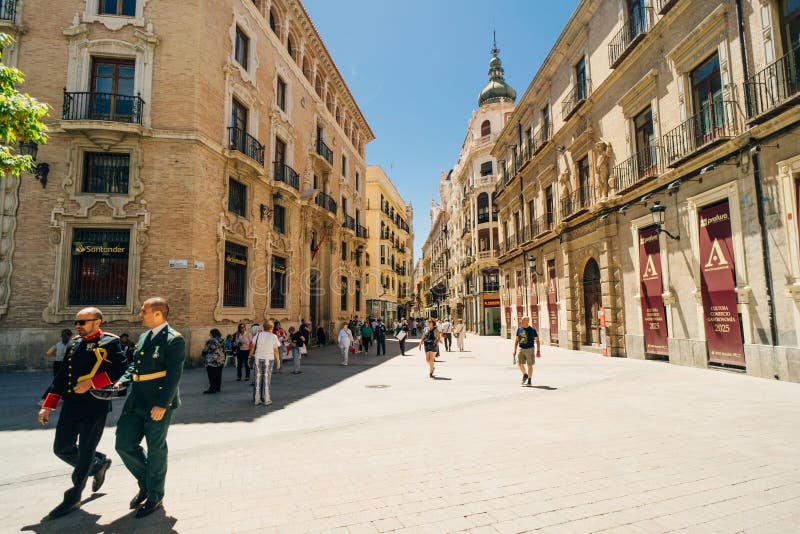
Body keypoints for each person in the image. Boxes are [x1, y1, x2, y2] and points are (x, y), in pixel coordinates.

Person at [38, 308, 127, 519]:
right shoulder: (75, 343)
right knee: (61, 447)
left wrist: (91, 383)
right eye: (76, 322)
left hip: (94, 405)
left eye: (82, 322)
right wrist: (48, 405)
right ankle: (98, 465)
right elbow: (62, 377)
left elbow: (121, 368)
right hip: (71, 405)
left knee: (86, 450)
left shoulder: (110, 342)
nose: (77, 326)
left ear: (97, 322)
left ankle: (73, 496)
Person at [115, 297, 186, 518]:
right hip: (136, 400)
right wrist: (123, 380)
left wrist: (162, 404)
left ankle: (155, 494)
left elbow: (174, 375)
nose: (140, 315)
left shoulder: (174, 340)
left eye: (143, 311)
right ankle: (146, 481)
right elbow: (135, 365)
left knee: (156, 449)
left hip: (158, 403)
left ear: (157, 314)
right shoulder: (145, 336)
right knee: (124, 444)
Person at [250, 321, 281, 405]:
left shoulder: (258, 335)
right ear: (272, 328)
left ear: (264, 327)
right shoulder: (273, 336)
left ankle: (257, 399)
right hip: (268, 359)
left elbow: (252, 346)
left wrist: (249, 356)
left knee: (257, 379)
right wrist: (278, 361)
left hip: (258, 358)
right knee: (267, 379)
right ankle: (267, 399)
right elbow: (276, 350)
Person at [513, 317, 541, 386]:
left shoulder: (532, 330)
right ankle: (525, 374)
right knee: (519, 364)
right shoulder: (519, 329)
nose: (521, 321)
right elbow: (516, 340)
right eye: (521, 320)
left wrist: (538, 351)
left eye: (523, 320)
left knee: (529, 365)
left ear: (527, 321)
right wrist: (514, 350)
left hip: (530, 349)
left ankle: (529, 380)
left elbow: (537, 341)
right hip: (521, 349)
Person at [202, 329, 226, 394]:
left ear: (213, 334)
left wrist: (203, 355)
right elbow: (224, 350)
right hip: (220, 359)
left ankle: (212, 388)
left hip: (211, 360)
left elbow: (205, 350)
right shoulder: (222, 340)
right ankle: (218, 388)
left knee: (211, 375)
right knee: (218, 374)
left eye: (210, 333)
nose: (209, 335)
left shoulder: (210, 340)